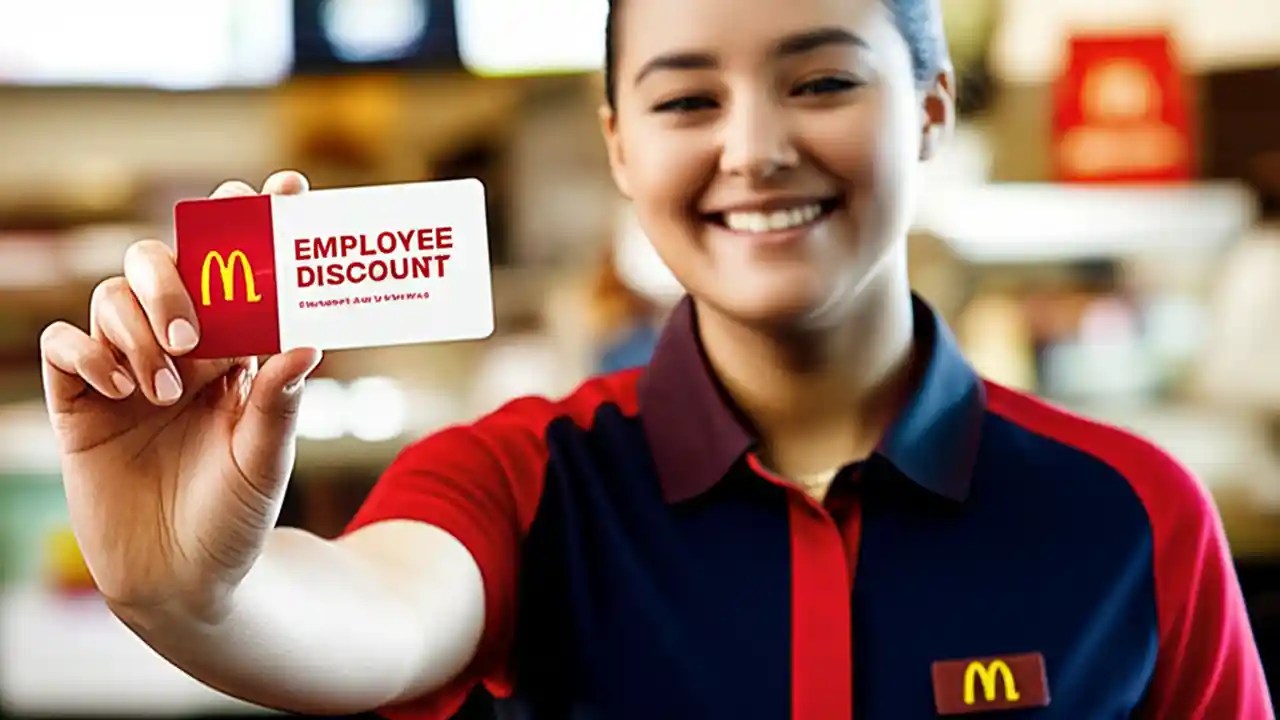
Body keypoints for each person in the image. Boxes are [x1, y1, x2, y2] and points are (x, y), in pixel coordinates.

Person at [37, 0, 1272, 718]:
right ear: (620, 146)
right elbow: (376, 614)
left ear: (934, 103)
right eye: (687, 102)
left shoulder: (1131, 515)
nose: (753, 148)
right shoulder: (524, 479)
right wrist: (191, 594)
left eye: (822, 80)